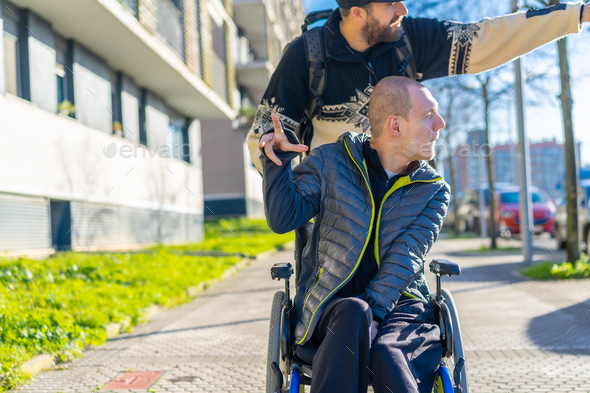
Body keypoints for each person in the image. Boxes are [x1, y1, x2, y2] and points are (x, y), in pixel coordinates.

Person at [261, 76, 450, 393]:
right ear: (395, 125)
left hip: (401, 305)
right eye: (428, 114)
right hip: (333, 305)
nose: (440, 123)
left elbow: (407, 256)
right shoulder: (329, 163)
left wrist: (375, 315)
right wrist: (277, 164)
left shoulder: (433, 191)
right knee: (354, 311)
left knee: (389, 351)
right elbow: (283, 218)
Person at [247, 0, 588, 171]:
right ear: (358, 13)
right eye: (389, 3)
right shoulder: (305, 55)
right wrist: (278, 164)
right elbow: (265, 135)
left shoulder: (410, 40)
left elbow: (487, 38)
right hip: (334, 200)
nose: (402, 9)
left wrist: (578, 14)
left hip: (402, 195)